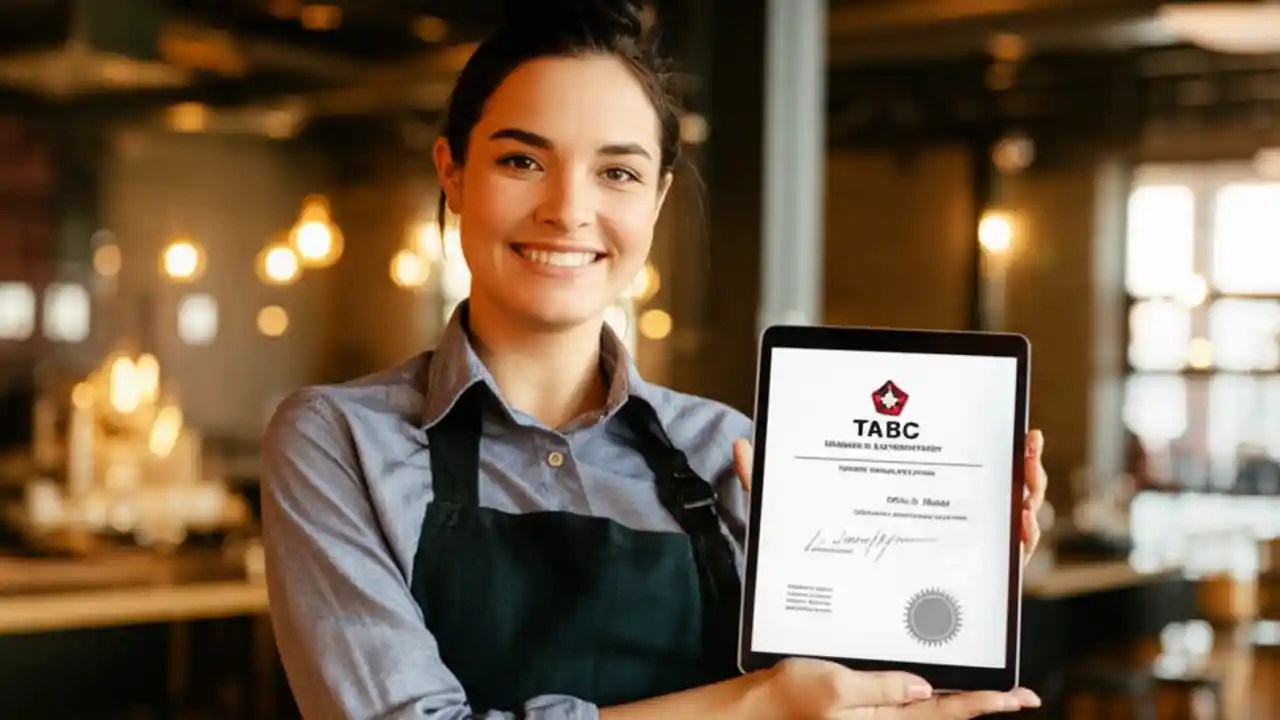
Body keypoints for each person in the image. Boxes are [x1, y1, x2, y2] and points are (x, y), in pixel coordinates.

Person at [260, 1, 1050, 718]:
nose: (569, 209)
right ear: (453, 174)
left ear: (658, 199)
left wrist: (944, 581)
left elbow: (852, 698)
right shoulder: (338, 440)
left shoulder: (729, 453)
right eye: (521, 161)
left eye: (618, 172)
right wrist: (757, 709)